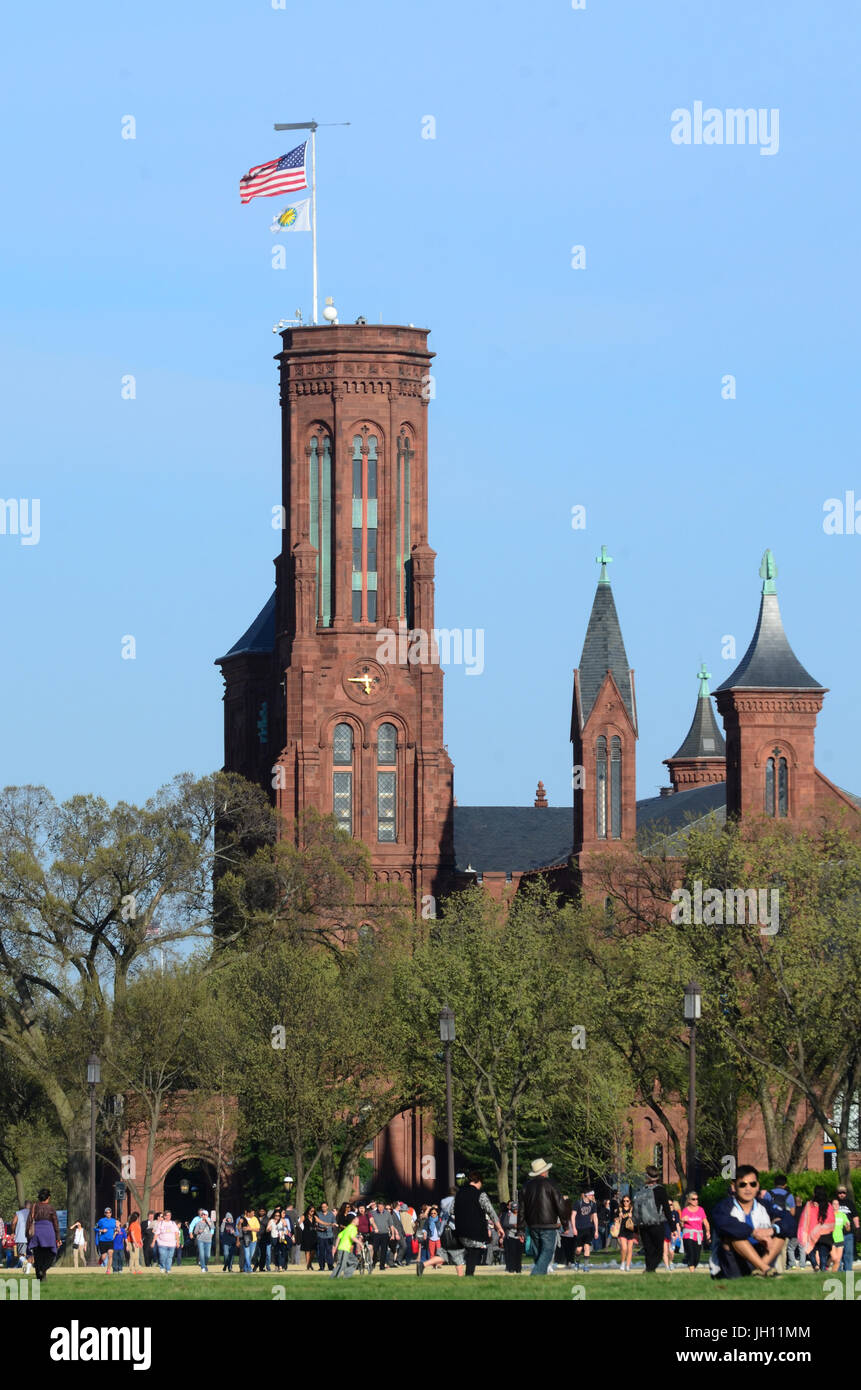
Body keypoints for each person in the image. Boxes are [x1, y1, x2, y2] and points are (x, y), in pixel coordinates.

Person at [709, 1166, 783, 1279]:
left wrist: (772, 1229)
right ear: (734, 1187)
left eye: (752, 1184)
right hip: (733, 1261)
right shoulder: (723, 1207)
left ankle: (760, 1269)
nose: (748, 1188)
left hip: (761, 1253)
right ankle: (765, 1269)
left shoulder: (765, 1205)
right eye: (743, 1184)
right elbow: (725, 1225)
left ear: (757, 1185)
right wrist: (753, 1233)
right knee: (733, 1236)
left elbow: (789, 1223)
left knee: (781, 1234)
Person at [517, 1158, 568, 1276]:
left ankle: (540, 1279)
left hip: (533, 1225)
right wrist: (565, 1224)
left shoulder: (526, 1186)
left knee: (538, 1253)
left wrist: (520, 1230)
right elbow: (560, 1206)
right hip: (549, 1224)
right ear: (544, 1171)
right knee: (547, 1252)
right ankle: (535, 1275)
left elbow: (521, 1210)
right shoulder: (551, 1184)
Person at [454, 1171, 504, 1277]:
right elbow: (491, 1212)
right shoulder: (480, 1194)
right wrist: (499, 1227)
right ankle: (469, 1274)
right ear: (479, 1181)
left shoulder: (459, 1193)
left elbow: (451, 1210)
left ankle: (464, 1274)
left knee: (467, 1252)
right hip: (475, 1230)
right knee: (474, 1252)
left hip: (460, 1230)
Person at [633, 1165, 673, 1273]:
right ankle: (650, 1270)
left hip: (643, 1225)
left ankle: (649, 1271)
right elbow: (667, 1210)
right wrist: (673, 1228)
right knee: (659, 1251)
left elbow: (636, 1212)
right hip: (656, 1224)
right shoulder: (660, 1190)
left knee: (648, 1250)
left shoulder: (640, 1191)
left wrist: (635, 1230)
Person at [762, 1175, 796, 1273]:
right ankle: (781, 1270)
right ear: (785, 1184)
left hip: (770, 1224)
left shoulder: (768, 1194)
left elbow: (764, 1209)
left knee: (770, 1247)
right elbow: (793, 1213)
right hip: (784, 1225)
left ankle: (770, 1267)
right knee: (782, 1248)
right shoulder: (789, 1196)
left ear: (774, 1183)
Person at [798, 1186, 835, 1271]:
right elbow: (832, 1221)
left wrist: (806, 1232)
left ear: (815, 1194)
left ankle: (815, 1265)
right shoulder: (828, 1205)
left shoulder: (809, 1205)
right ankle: (822, 1268)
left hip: (812, 1233)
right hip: (825, 1234)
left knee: (810, 1250)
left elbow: (805, 1219)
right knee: (823, 1255)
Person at [26, 1188, 60, 1282]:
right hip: (48, 1232)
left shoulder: (34, 1206)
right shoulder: (51, 1208)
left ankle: (40, 1278)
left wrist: (27, 1236)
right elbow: (55, 1223)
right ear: (48, 1197)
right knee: (51, 1253)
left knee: (38, 1256)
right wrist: (58, 1238)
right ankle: (43, 1270)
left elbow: (29, 1221)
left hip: (37, 1232)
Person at [680, 1191, 710, 1272]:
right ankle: (692, 1272)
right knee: (691, 1254)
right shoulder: (685, 1210)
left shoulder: (701, 1210)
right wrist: (682, 1220)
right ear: (689, 1200)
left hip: (698, 1235)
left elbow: (706, 1222)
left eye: (697, 1199)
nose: (696, 1201)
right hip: (688, 1235)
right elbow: (682, 1225)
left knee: (697, 1257)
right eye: (693, 1199)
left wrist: (708, 1232)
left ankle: (691, 1265)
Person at [572, 1187, 599, 1272]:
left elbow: (595, 1217)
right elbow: (573, 1216)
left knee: (587, 1247)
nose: (592, 1196)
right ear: (587, 1195)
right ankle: (577, 1262)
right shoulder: (578, 1203)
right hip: (579, 1229)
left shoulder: (593, 1204)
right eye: (591, 1195)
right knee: (579, 1249)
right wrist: (574, 1228)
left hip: (589, 1228)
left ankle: (586, 1266)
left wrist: (596, 1230)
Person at [834, 1185, 859, 1273]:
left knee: (848, 1253)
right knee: (838, 1254)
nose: (841, 1194)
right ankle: (839, 1270)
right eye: (840, 1193)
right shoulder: (834, 1203)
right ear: (837, 1193)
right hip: (837, 1233)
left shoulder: (850, 1203)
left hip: (848, 1233)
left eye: (843, 1193)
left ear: (846, 1193)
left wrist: (857, 1228)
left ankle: (848, 1270)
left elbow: (855, 1216)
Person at [331, 1212, 361, 1279]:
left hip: (346, 1250)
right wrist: (360, 1243)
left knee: (354, 1262)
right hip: (344, 1249)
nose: (358, 1220)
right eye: (357, 1219)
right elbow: (352, 1237)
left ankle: (346, 1276)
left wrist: (336, 1247)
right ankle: (334, 1278)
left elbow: (339, 1236)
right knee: (342, 1264)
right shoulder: (353, 1228)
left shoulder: (348, 1228)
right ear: (353, 1220)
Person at [152, 1209, 180, 1274]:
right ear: (164, 1216)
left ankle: (168, 1269)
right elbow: (156, 1233)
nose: (169, 1216)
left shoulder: (173, 1223)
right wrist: (153, 1242)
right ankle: (162, 1267)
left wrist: (177, 1242)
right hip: (162, 1243)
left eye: (170, 1215)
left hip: (172, 1244)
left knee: (169, 1257)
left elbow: (176, 1233)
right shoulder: (161, 1223)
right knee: (162, 1256)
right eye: (167, 1215)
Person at [617, 1194, 638, 1270]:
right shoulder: (620, 1209)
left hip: (630, 1231)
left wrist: (632, 1216)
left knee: (630, 1249)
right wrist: (619, 1216)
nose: (625, 1202)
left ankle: (628, 1265)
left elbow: (637, 1219)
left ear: (630, 1201)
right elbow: (615, 1220)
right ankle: (623, 1263)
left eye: (627, 1201)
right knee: (624, 1248)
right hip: (622, 1231)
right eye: (624, 1201)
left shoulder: (632, 1209)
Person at [502, 1201, 524, 1274]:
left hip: (519, 1236)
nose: (515, 1210)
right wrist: (513, 1226)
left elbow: (524, 1224)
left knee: (519, 1254)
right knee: (512, 1253)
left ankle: (518, 1269)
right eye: (514, 1209)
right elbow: (505, 1224)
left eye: (517, 1209)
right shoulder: (508, 1215)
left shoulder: (521, 1215)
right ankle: (511, 1268)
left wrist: (521, 1232)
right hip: (511, 1236)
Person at [95, 1206, 117, 1272]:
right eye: (107, 1213)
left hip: (110, 1240)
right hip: (103, 1241)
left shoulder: (114, 1221)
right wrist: (101, 1230)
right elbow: (94, 1228)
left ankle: (108, 1270)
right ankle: (100, 1261)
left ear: (111, 1213)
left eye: (109, 1212)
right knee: (104, 1256)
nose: (108, 1214)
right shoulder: (101, 1221)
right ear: (105, 1213)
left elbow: (116, 1228)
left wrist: (116, 1230)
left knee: (110, 1254)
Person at [316, 1201, 336, 1271]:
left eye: (325, 1207)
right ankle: (321, 1266)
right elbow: (316, 1225)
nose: (324, 1208)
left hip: (329, 1235)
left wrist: (334, 1225)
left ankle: (330, 1265)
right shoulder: (318, 1214)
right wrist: (321, 1229)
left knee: (329, 1251)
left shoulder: (331, 1214)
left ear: (327, 1207)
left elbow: (334, 1223)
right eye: (322, 1207)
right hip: (320, 1236)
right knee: (321, 1251)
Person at [238, 1208, 260, 1273]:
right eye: (252, 1213)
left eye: (254, 1213)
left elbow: (258, 1229)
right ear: (247, 1212)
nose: (253, 1214)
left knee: (250, 1255)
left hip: (254, 1239)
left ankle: (245, 1268)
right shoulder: (242, 1218)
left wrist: (249, 1228)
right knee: (247, 1254)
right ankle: (249, 1268)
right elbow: (238, 1228)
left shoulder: (255, 1219)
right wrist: (239, 1223)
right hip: (246, 1239)